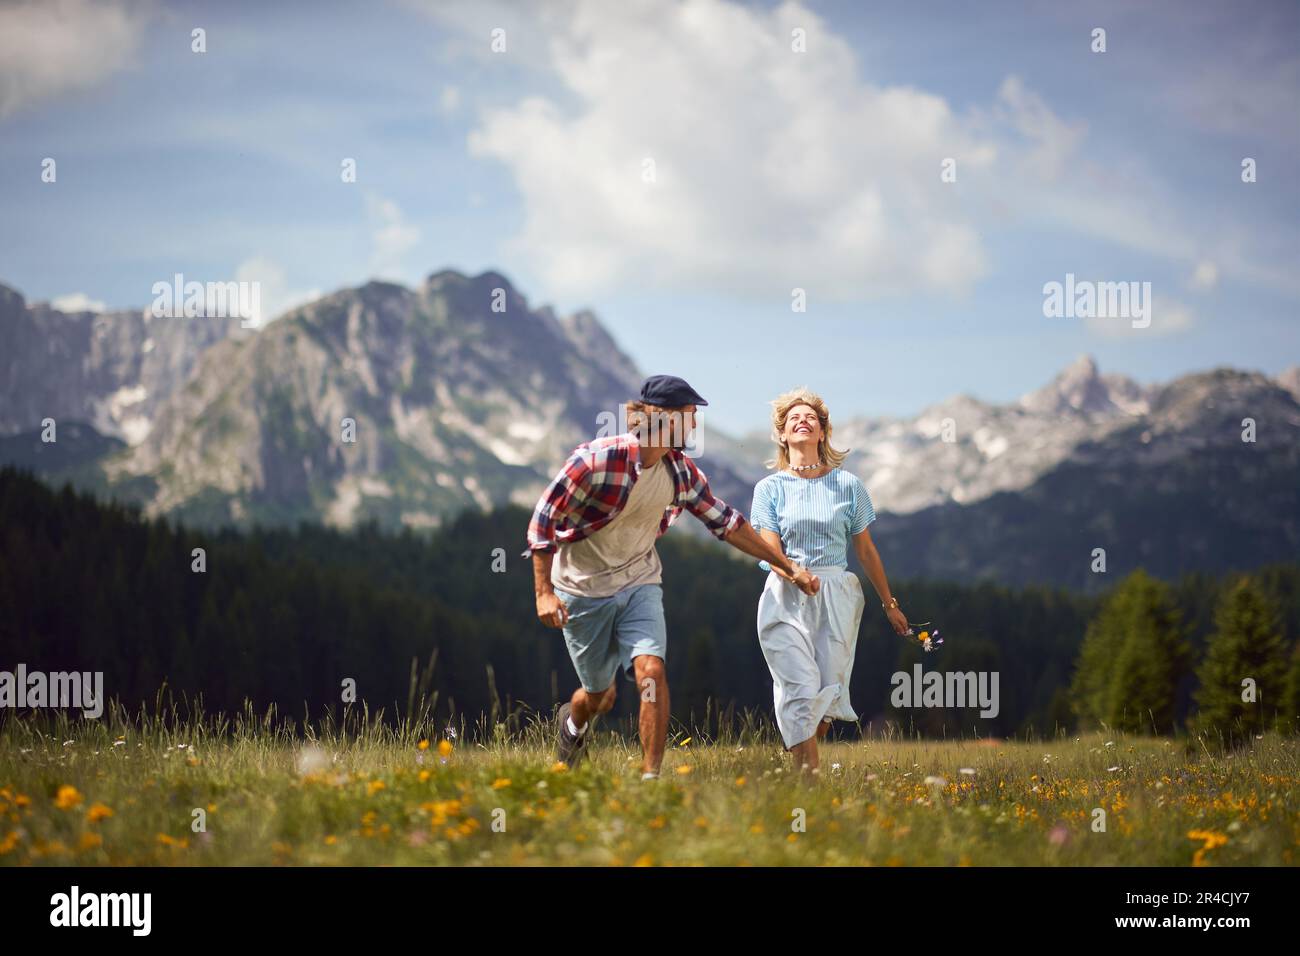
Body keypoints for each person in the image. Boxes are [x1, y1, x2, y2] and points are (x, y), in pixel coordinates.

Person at [524, 374, 819, 779]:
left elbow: (727, 524)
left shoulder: (679, 472)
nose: (695, 426)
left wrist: (788, 568)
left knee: (651, 671)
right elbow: (543, 519)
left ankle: (650, 778)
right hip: (582, 590)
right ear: (661, 418)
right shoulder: (597, 460)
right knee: (600, 696)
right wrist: (543, 592)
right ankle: (573, 724)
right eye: (689, 416)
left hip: (639, 582)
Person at [749, 388, 909, 772]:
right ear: (783, 436)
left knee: (825, 702)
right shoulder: (768, 489)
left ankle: (798, 769)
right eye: (793, 420)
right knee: (800, 689)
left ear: (823, 433)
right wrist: (794, 573)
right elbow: (768, 549)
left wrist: (890, 604)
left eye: (811, 419)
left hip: (836, 593)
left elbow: (866, 551)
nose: (802, 422)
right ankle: (808, 789)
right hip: (785, 593)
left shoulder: (848, 486)